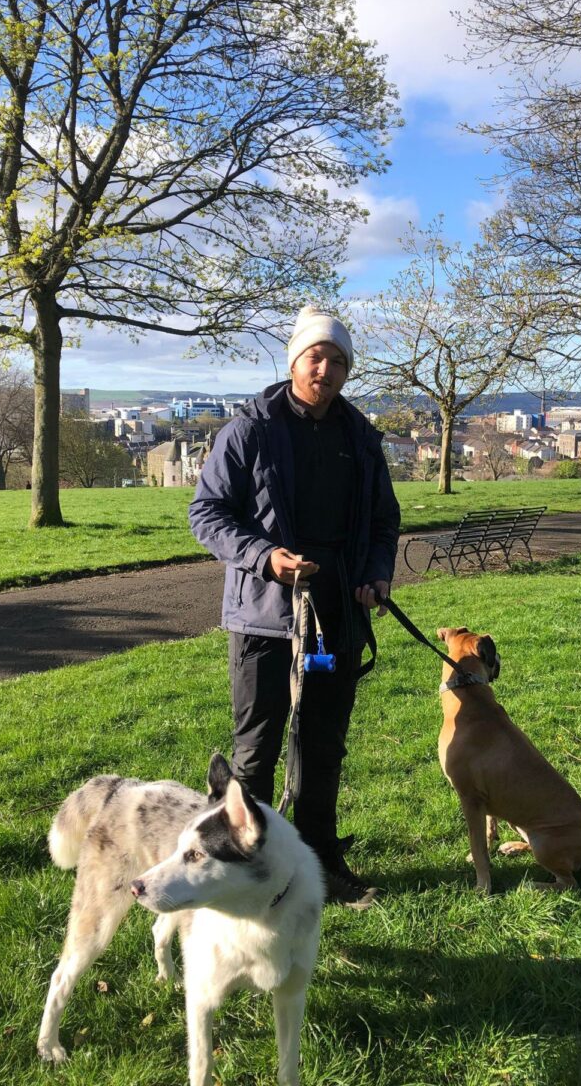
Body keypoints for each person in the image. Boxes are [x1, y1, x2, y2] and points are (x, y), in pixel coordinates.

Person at [188, 304, 401, 907]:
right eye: (317, 357)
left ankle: (318, 865)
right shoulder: (249, 430)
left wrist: (375, 575)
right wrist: (263, 557)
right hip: (264, 616)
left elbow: (384, 521)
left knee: (322, 744)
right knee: (255, 748)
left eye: (338, 361)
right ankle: (236, 874)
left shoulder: (360, 437)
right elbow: (206, 513)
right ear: (294, 361)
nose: (327, 370)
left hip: (338, 615)